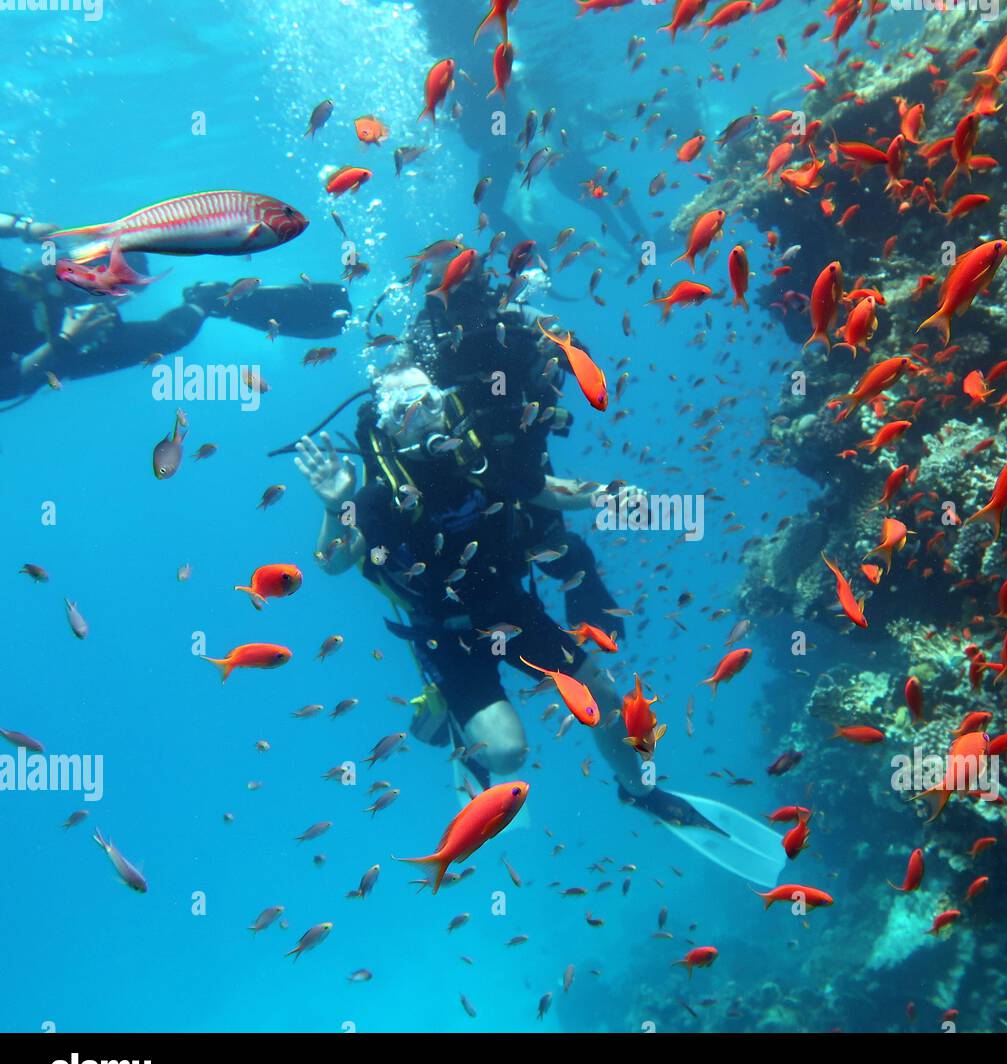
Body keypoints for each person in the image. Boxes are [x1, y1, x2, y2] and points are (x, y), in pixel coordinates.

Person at [292, 270, 735, 833]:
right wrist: (335, 504)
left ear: (444, 399)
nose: (419, 417)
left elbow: (554, 491)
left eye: (425, 401)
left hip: (509, 605)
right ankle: (457, 728)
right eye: (402, 412)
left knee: (599, 694)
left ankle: (639, 792)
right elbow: (332, 560)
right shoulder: (379, 496)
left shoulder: (481, 460)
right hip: (444, 631)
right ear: (383, 424)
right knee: (509, 753)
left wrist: (618, 498)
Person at [0, 210, 352, 405]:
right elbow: (11, 385)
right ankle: (207, 301)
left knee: (123, 259)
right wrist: (67, 339)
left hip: (37, 297)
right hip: (51, 351)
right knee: (166, 337)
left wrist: (22, 227)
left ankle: (208, 298)